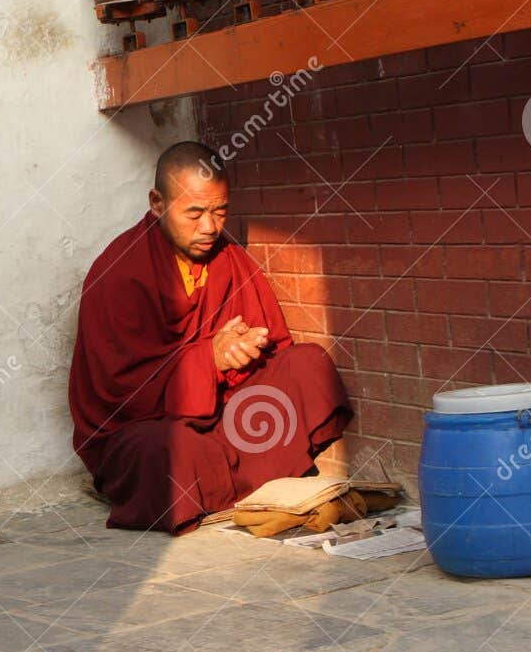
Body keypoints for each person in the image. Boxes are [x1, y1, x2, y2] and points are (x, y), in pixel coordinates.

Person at [67, 141, 353, 535]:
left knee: (308, 365)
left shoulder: (228, 259)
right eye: (195, 213)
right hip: (149, 430)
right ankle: (247, 480)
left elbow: (274, 354)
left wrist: (246, 349)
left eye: (220, 212)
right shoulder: (118, 273)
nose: (210, 227)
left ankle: (226, 485)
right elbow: (122, 394)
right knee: (172, 449)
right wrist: (209, 359)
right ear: (157, 203)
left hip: (224, 418)